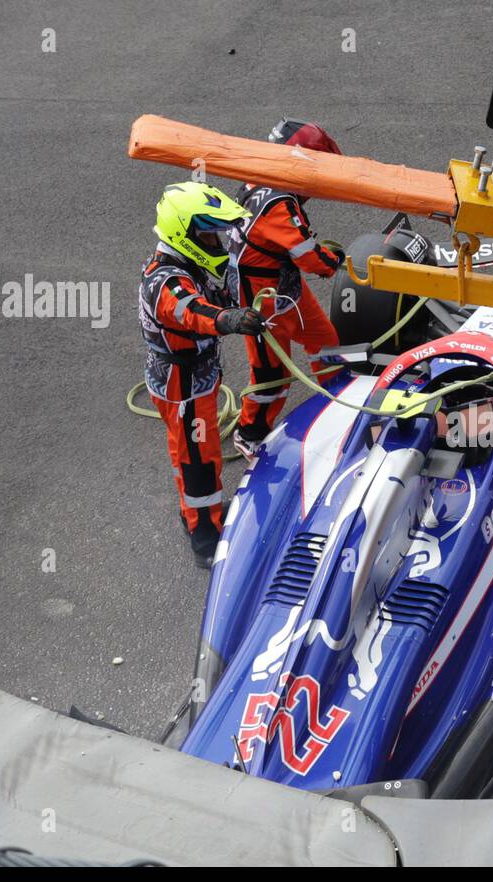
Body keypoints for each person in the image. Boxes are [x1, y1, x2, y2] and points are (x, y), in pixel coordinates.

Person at [139, 182, 266, 567]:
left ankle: (197, 516)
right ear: (186, 233)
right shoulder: (166, 282)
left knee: (192, 453)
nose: (216, 241)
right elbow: (190, 310)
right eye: (209, 233)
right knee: (198, 459)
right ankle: (206, 541)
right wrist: (230, 318)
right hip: (183, 385)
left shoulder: (187, 264)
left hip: (194, 378)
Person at [227, 118, 347, 461]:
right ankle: (250, 434)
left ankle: (339, 400)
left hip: (280, 282)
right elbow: (309, 256)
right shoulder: (279, 202)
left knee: (323, 339)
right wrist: (331, 260)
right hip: (261, 296)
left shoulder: (263, 176)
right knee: (271, 373)